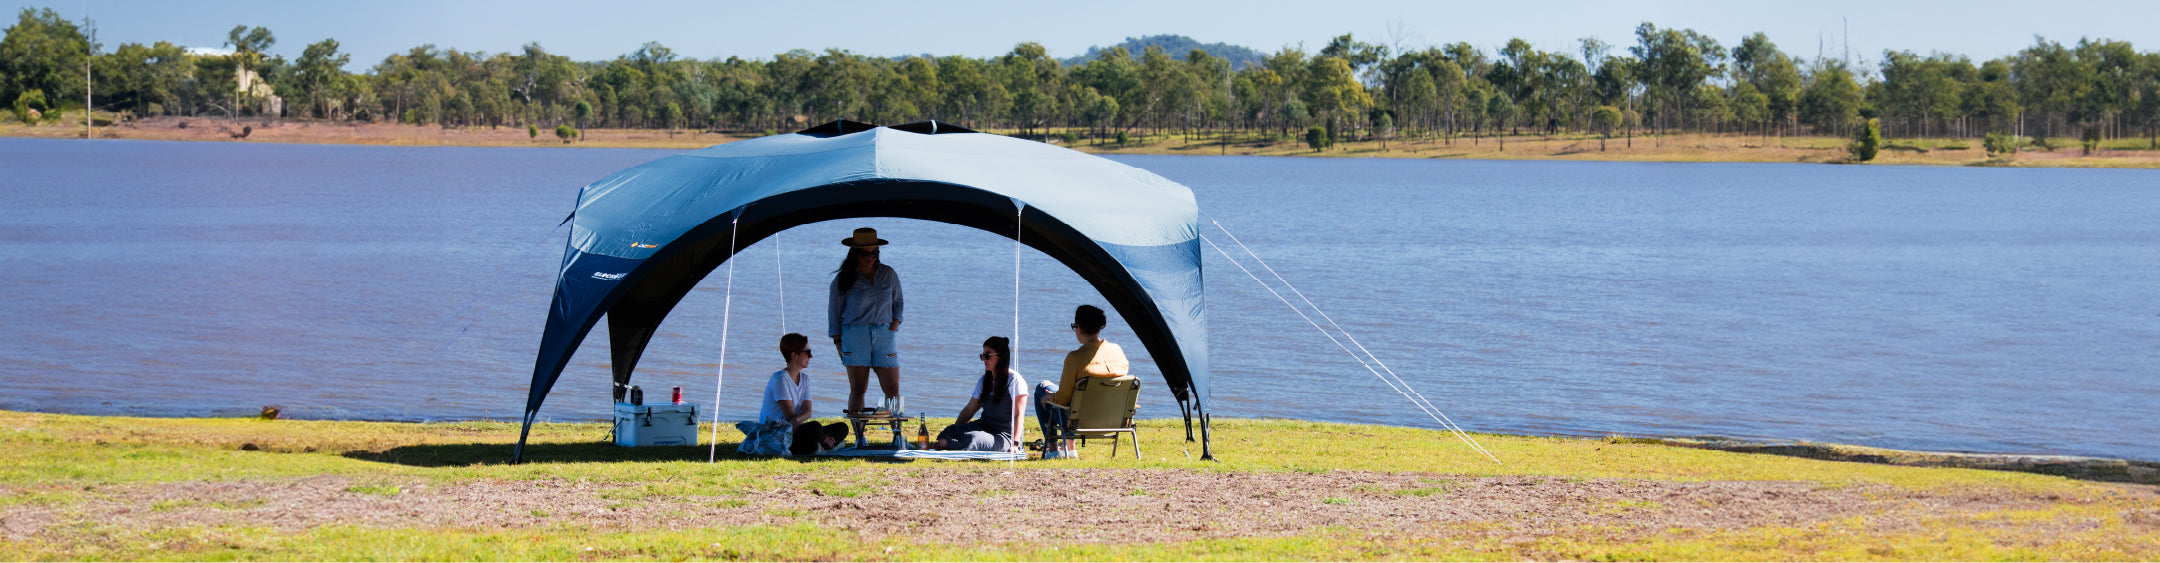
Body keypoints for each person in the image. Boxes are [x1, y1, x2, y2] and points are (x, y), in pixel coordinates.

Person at [1033, 304, 1128, 459]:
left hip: (1079, 421)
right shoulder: (1117, 351)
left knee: (1041, 389)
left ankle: (1053, 450)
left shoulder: (1075, 358)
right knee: (1076, 398)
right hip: (1112, 419)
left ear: (1079, 328)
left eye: (1074, 326)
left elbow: (1063, 398)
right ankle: (1070, 449)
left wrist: (1050, 397)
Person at [828, 227, 904, 418]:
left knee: (893, 389)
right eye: (865, 253)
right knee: (858, 389)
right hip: (854, 336)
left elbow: (898, 302)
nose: (870, 257)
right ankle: (859, 439)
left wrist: (895, 323)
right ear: (855, 254)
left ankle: (896, 435)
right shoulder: (842, 279)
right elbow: (834, 314)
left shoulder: (889, 274)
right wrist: (838, 342)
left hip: (884, 336)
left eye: (874, 252)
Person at [746, 333, 848, 456]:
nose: (811, 356)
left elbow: (807, 412)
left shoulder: (805, 379)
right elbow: (790, 416)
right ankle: (821, 446)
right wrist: (815, 432)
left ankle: (819, 447)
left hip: (796, 429)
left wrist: (799, 421)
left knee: (842, 427)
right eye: (807, 352)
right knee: (815, 428)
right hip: (778, 433)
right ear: (794, 355)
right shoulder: (780, 379)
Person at [935, 336, 1027, 452]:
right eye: (982, 356)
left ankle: (952, 445)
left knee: (974, 439)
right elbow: (969, 409)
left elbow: (1019, 415)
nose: (984, 359)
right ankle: (951, 444)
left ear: (1001, 356)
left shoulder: (1015, 381)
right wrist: (955, 430)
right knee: (947, 432)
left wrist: (1015, 444)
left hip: (1005, 436)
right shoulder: (984, 380)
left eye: (987, 356)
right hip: (983, 427)